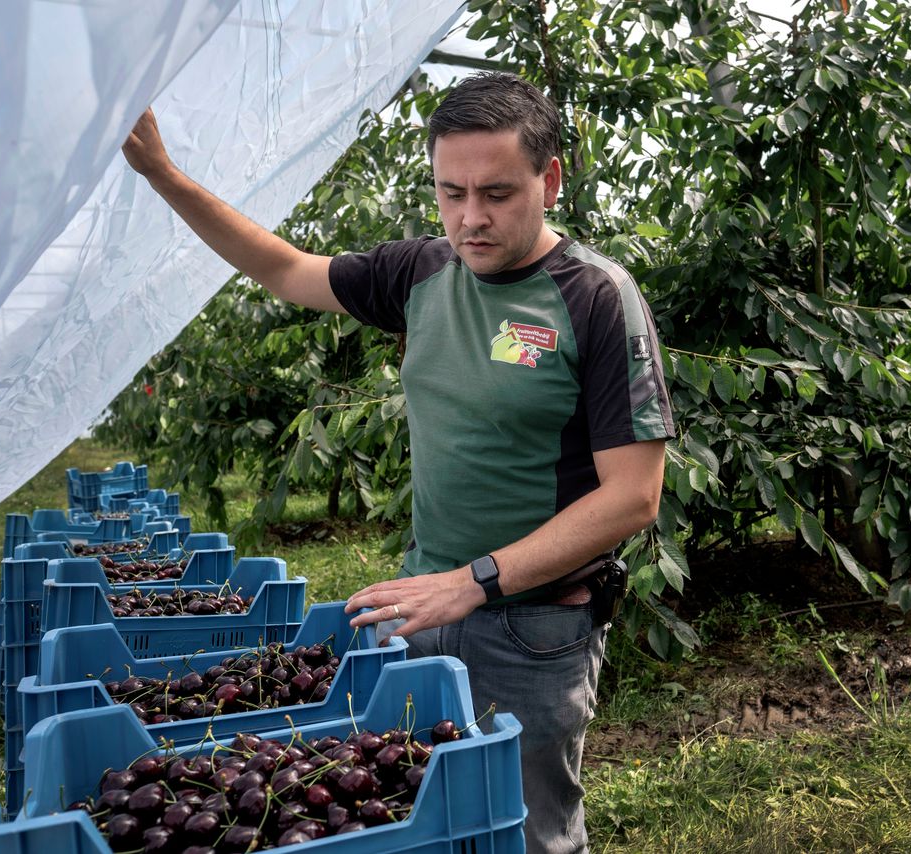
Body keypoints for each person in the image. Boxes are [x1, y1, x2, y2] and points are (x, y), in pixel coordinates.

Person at [122, 71, 674, 853]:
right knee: (425, 816)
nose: (470, 219)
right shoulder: (420, 272)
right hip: (424, 604)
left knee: (529, 830)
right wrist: (162, 175)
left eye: (497, 193)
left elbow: (632, 498)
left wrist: (474, 581)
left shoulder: (594, 297)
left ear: (550, 180)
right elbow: (284, 268)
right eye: (451, 193)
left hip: (536, 628)